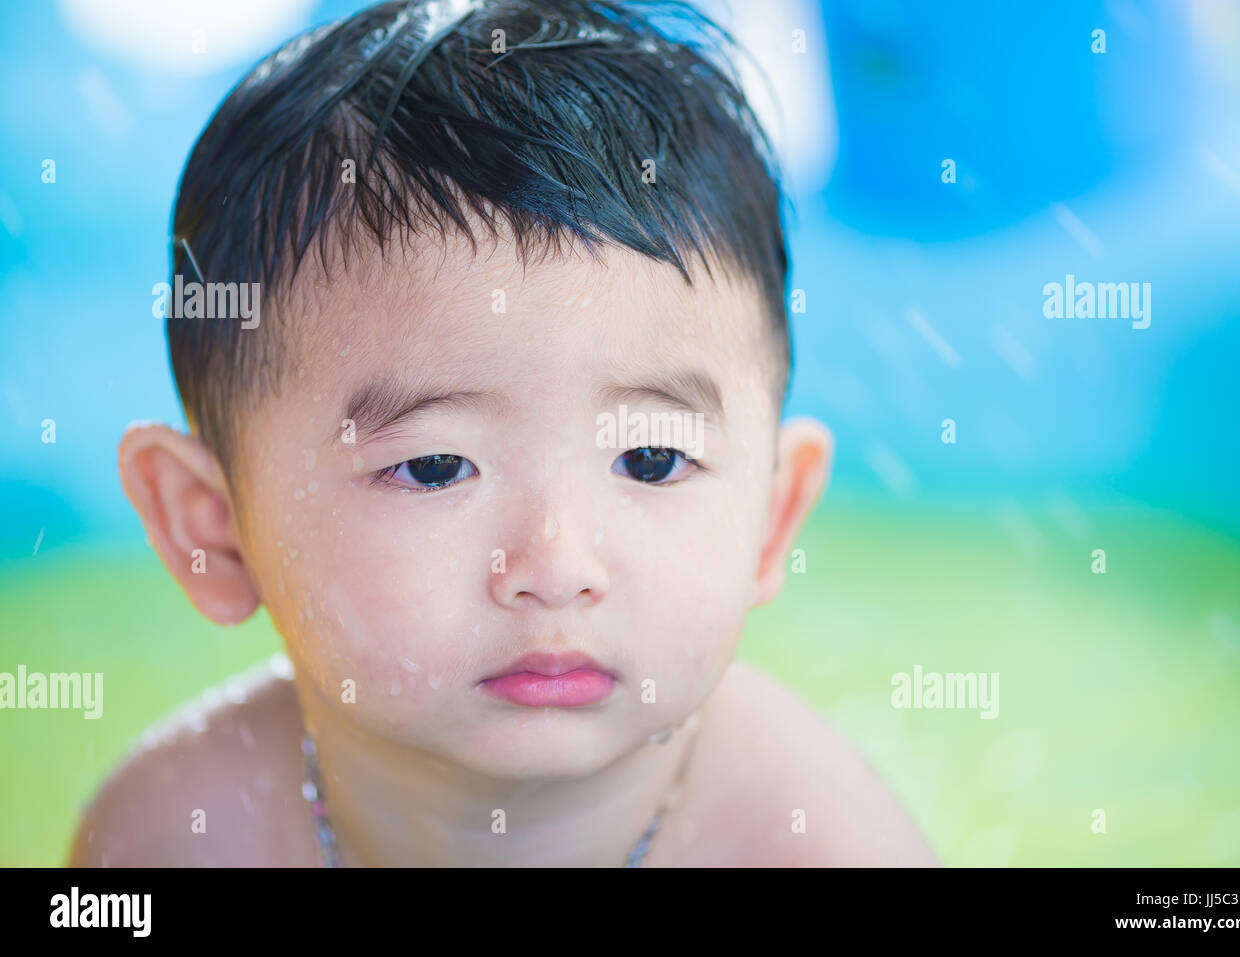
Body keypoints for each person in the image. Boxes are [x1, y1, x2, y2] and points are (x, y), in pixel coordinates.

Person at [69, 0, 936, 867]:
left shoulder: (815, 842)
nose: (555, 570)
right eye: (437, 466)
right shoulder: (176, 835)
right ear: (210, 528)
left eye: (651, 459)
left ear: (773, 515)